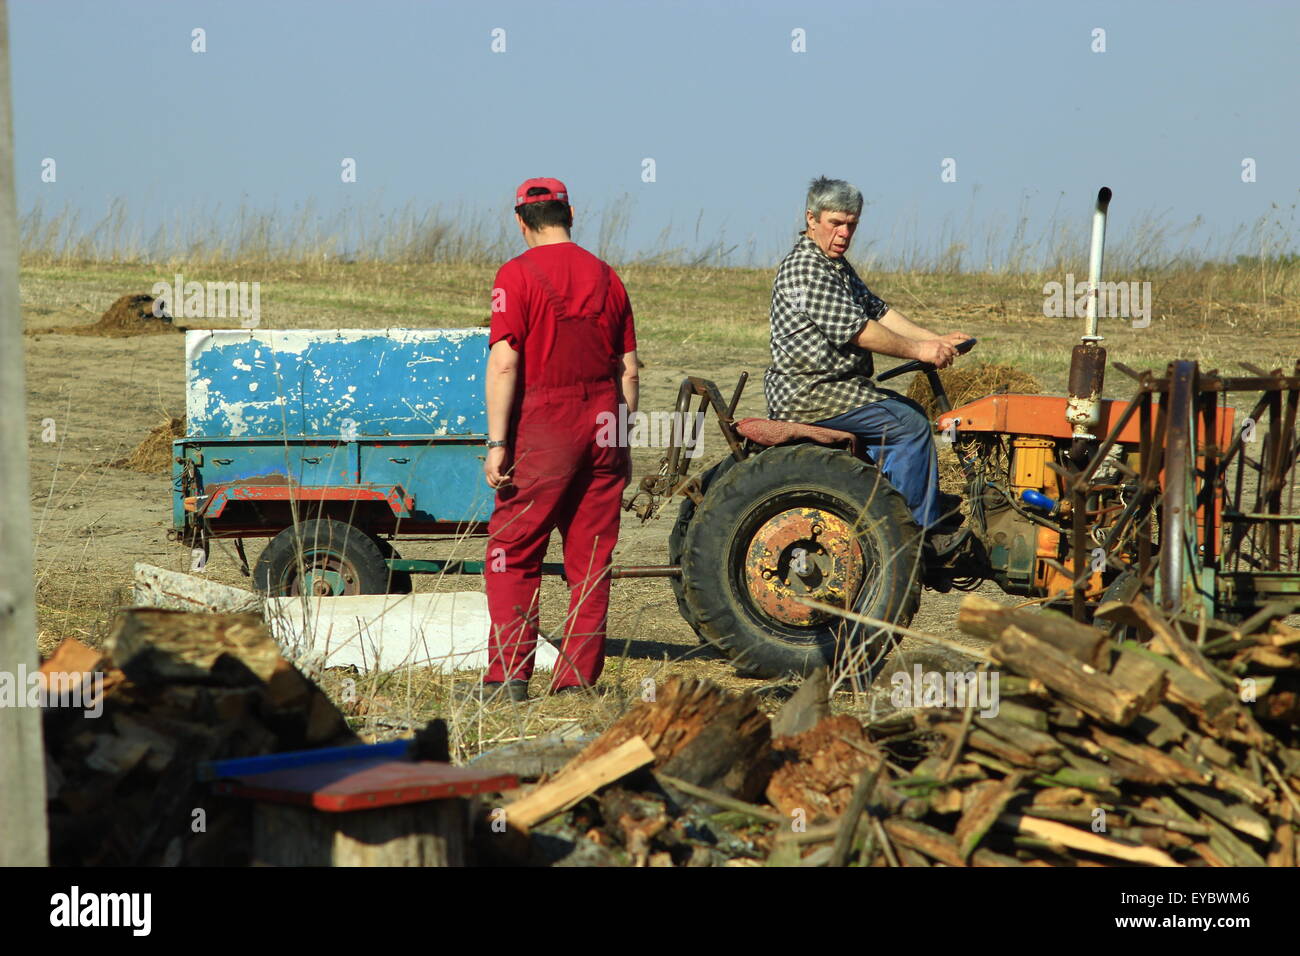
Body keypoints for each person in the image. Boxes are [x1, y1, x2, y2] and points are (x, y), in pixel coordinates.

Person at [473, 177, 639, 702]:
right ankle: (576, 683)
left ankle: (508, 679)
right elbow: (629, 371)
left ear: (521, 220)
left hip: (545, 426)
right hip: (603, 425)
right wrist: (622, 440)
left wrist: (497, 443)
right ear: (571, 216)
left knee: (513, 549)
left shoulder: (516, 275)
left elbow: (504, 363)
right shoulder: (608, 278)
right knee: (591, 561)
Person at [764, 176, 972, 555]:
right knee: (908, 426)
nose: (844, 233)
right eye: (835, 223)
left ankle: (901, 503)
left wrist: (934, 340)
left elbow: (879, 312)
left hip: (837, 387)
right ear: (811, 218)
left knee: (907, 412)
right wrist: (920, 352)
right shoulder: (806, 269)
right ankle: (916, 537)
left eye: (852, 224)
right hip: (811, 392)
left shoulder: (835, 266)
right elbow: (860, 331)